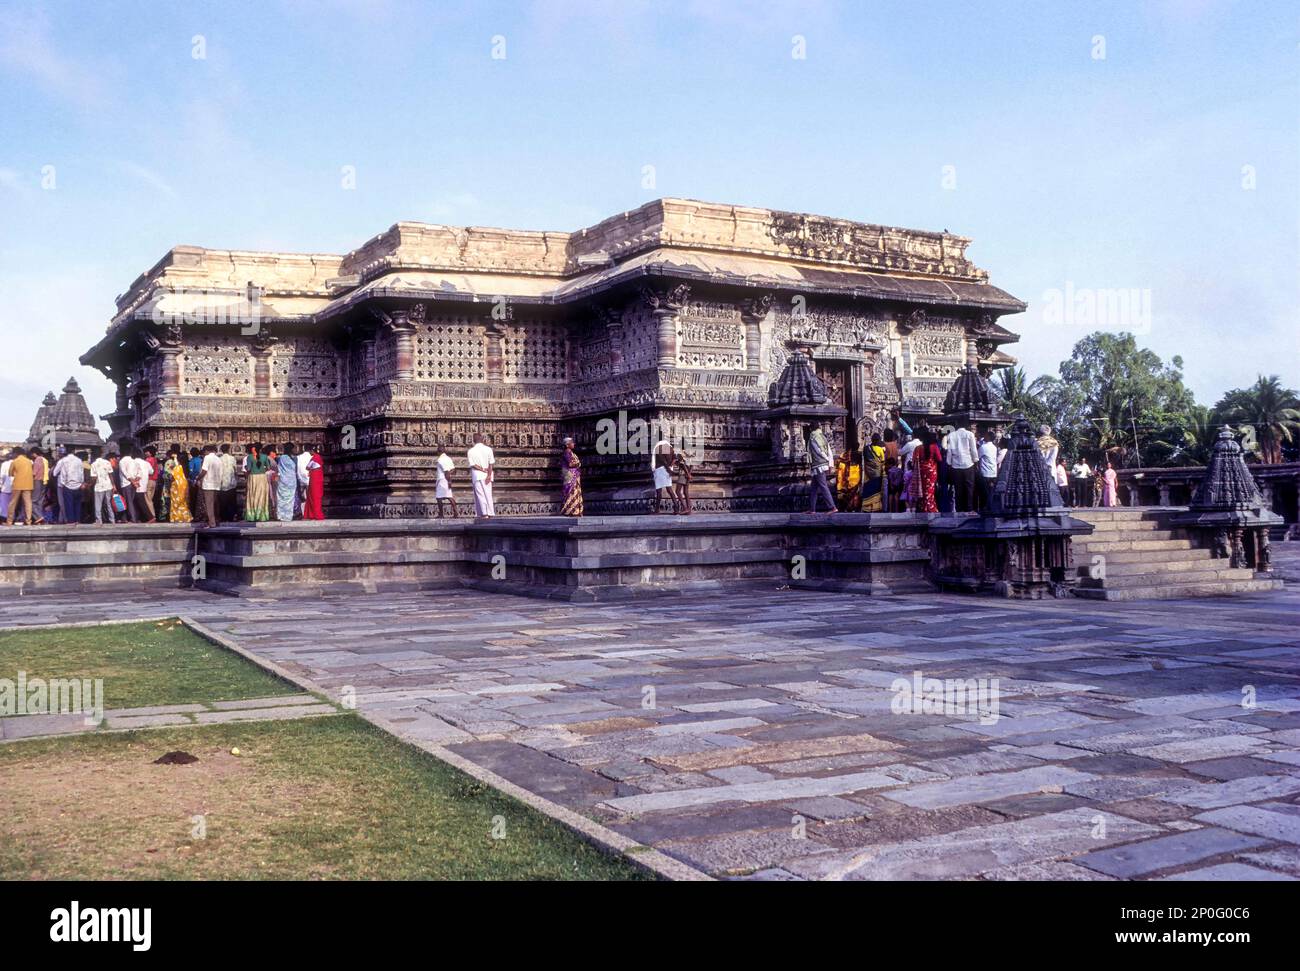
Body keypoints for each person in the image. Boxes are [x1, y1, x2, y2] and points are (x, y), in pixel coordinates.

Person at [947, 419, 979, 512]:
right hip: (968, 463)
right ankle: (969, 508)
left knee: (958, 489)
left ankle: (959, 509)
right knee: (969, 488)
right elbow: (973, 449)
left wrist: (949, 463)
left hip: (956, 465)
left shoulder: (951, 435)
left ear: (956, 425)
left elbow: (949, 450)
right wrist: (975, 461)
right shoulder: (969, 434)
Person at [808, 420, 837, 515]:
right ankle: (812, 509)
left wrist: (826, 459)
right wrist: (830, 463)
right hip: (821, 465)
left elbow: (818, 450)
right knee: (814, 487)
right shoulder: (822, 436)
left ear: (811, 428)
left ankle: (832, 507)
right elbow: (829, 450)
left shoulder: (813, 437)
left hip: (818, 465)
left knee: (823, 486)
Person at [910, 428, 941, 513]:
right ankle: (930, 507)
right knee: (930, 490)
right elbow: (939, 459)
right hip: (932, 472)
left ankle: (923, 507)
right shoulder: (934, 447)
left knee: (922, 490)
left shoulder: (918, 448)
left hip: (921, 472)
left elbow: (913, 462)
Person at [53, 448, 85, 525]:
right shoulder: (79, 460)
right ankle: (77, 520)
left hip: (68, 485)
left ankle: (70, 521)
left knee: (68, 504)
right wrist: (81, 483)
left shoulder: (64, 461)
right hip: (78, 485)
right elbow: (81, 473)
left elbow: (60, 473)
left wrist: (63, 483)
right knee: (77, 504)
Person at [467, 433, 496, 518]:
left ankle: (484, 513)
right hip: (487, 474)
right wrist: (489, 475)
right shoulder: (488, 449)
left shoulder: (471, 451)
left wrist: (482, 469)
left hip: (477, 475)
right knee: (488, 494)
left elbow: (473, 465)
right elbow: (491, 464)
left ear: (473, 440)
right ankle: (490, 513)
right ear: (482, 439)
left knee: (480, 495)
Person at [4, 448, 34, 525]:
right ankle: (28, 521)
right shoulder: (29, 462)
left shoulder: (15, 461)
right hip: (28, 484)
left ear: (16, 453)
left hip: (17, 484)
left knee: (13, 503)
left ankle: (9, 521)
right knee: (28, 503)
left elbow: (10, 474)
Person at [196, 444, 223, 527]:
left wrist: (198, 478)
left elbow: (204, 470)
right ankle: (216, 521)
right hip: (216, 484)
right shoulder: (218, 459)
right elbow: (221, 473)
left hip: (208, 484)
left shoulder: (207, 458)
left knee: (209, 505)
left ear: (206, 451)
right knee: (215, 504)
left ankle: (211, 523)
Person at [243, 442, 271, 521]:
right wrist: (262, 470)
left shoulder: (250, 457)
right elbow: (268, 468)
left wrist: (247, 468)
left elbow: (248, 469)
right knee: (261, 496)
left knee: (253, 495)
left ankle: (252, 515)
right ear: (261, 449)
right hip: (262, 477)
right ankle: (262, 516)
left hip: (253, 478)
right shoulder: (265, 457)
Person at [164, 447, 192, 523]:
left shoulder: (177, 467)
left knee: (176, 502)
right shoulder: (186, 466)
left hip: (176, 485)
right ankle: (185, 517)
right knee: (184, 502)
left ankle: (176, 517)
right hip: (184, 484)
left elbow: (172, 476)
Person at [89, 452, 117, 524]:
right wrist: (113, 485)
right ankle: (112, 519)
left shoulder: (93, 464)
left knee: (98, 504)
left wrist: (89, 484)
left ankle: (99, 520)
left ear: (93, 456)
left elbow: (94, 478)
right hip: (108, 486)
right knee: (108, 504)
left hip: (99, 487)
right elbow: (110, 475)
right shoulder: (107, 462)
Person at [861, 434, 885, 512]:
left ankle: (866, 507)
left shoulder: (865, 449)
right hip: (877, 473)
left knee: (868, 487)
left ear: (872, 439)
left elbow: (864, 461)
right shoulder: (880, 449)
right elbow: (882, 461)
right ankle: (875, 507)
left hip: (868, 473)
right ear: (878, 440)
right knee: (876, 489)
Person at [275, 443, 299, 522]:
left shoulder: (281, 458)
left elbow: (279, 468)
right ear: (291, 449)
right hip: (291, 480)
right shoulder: (294, 458)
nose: (294, 450)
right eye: (293, 448)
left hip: (283, 480)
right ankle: (288, 516)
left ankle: (281, 516)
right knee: (289, 499)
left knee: (282, 498)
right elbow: (295, 469)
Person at [560, 437, 584, 517]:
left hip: (573, 474)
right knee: (571, 492)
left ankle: (575, 510)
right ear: (567, 445)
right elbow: (570, 464)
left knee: (575, 492)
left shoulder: (571, 453)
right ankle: (570, 511)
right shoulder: (567, 452)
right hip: (570, 475)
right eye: (572, 442)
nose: (574, 444)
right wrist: (578, 464)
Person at [650, 437, 675, 513]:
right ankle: (676, 507)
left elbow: (662, 460)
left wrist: (668, 469)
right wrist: (670, 467)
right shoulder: (670, 447)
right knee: (669, 490)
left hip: (660, 469)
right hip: (667, 469)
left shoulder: (658, 447)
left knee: (659, 491)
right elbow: (674, 458)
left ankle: (657, 509)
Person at [977, 431, 999, 511]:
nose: (984, 437)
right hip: (993, 473)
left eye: (986, 435)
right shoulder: (994, 447)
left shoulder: (983, 447)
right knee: (991, 493)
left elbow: (977, 458)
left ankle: (984, 509)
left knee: (984, 494)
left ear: (989, 437)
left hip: (985, 473)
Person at [302, 446, 324, 520]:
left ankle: (314, 514)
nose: (309, 453)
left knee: (313, 497)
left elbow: (307, 467)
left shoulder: (315, 457)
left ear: (312, 451)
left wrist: (310, 469)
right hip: (318, 478)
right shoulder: (318, 457)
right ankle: (316, 514)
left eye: (309, 452)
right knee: (317, 497)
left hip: (314, 479)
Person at [433, 449, 457, 518]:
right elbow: (453, 470)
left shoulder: (440, 460)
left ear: (439, 452)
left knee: (439, 497)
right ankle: (456, 512)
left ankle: (441, 514)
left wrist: (449, 481)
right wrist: (449, 477)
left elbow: (446, 471)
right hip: (447, 478)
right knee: (449, 496)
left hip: (442, 479)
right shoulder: (448, 458)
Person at [835, 446, 861, 511]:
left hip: (848, 477)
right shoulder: (859, 455)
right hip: (853, 476)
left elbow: (838, 464)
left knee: (848, 492)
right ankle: (851, 507)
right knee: (853, 492)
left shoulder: (843, 455)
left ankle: (847, 507)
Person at [218, 444, 238, 522]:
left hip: (222, 483)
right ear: (229, 450)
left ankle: (223, 517)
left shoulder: (219, 459)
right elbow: (235, 469)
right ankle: (232, 516)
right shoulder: (232, 458)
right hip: (231, 483)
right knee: (232, 502)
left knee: (223, 502)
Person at [672, 449, 693, 516]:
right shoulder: (689, 453)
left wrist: (687, 473)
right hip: (687, 474)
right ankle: (689, 509)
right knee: (685, 492)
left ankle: (685, 508)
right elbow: (692, 465)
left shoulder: (680, 453)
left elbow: (682, 464)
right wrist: (689, 473)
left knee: (677, 491)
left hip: (683, 474)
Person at [30, 448, 48, 525]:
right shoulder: (45, 460)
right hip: (44, 481)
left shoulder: (37, 460)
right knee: (40, 502)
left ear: (34, 453)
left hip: (37, 481)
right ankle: (39, 519)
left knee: (33, 501)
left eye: (32, 453)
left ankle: (38, 517)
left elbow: (34, 473)